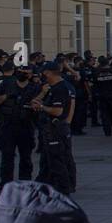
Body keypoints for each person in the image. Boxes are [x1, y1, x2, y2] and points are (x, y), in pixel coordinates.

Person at [32, 62, 76, 195]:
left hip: (56, 128)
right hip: (58, 128)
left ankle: (63, 187)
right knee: (50, 158)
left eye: (44, 72)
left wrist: (42, 107)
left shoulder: (59, 88)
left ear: (48, 73)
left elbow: (57, 111)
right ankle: (49, 183)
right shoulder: (57, 87)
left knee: (57, 159)